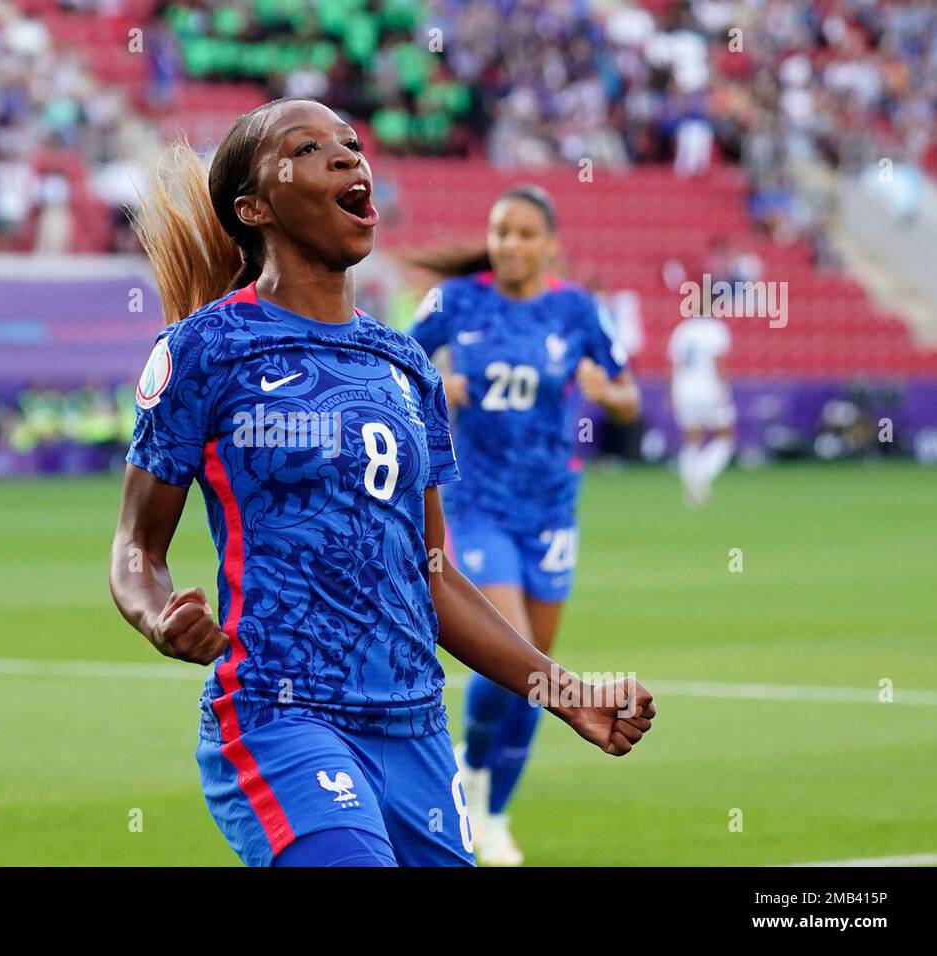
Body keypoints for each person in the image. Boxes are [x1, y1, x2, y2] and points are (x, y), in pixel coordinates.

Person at [109, 99, 655, 867]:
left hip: (416, 731)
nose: (347, 157)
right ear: (254, 207)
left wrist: (563, 692)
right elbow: (136, 546)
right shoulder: (203, 351)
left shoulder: (405, 365)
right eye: (309, 148)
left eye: (352, 143)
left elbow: (434, 578)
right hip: (281, 719)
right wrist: (156, 613)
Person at [407, 185, 642, 865]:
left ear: (549, 244)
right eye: (499, 231)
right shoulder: (458, 302)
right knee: (515, 655)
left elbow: (627, 393)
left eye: (523, 233)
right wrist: (432, 383)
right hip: (476, 506)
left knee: (536, 680)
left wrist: (611, 395)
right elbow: (392, 358)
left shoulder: (576, 310)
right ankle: (467, 769)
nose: (509, 243)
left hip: (552, 508)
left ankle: (495, 812)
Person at [668, 307, 736, 506]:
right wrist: (722, 389)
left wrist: (672, 391)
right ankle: (701, 475)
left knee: (691, 439)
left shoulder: (682, 330)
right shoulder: (715, 329)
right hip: (708, 389)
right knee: (725, 436)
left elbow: (674, 365)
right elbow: (717, 362)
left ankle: (690, 482)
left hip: (684, 390)